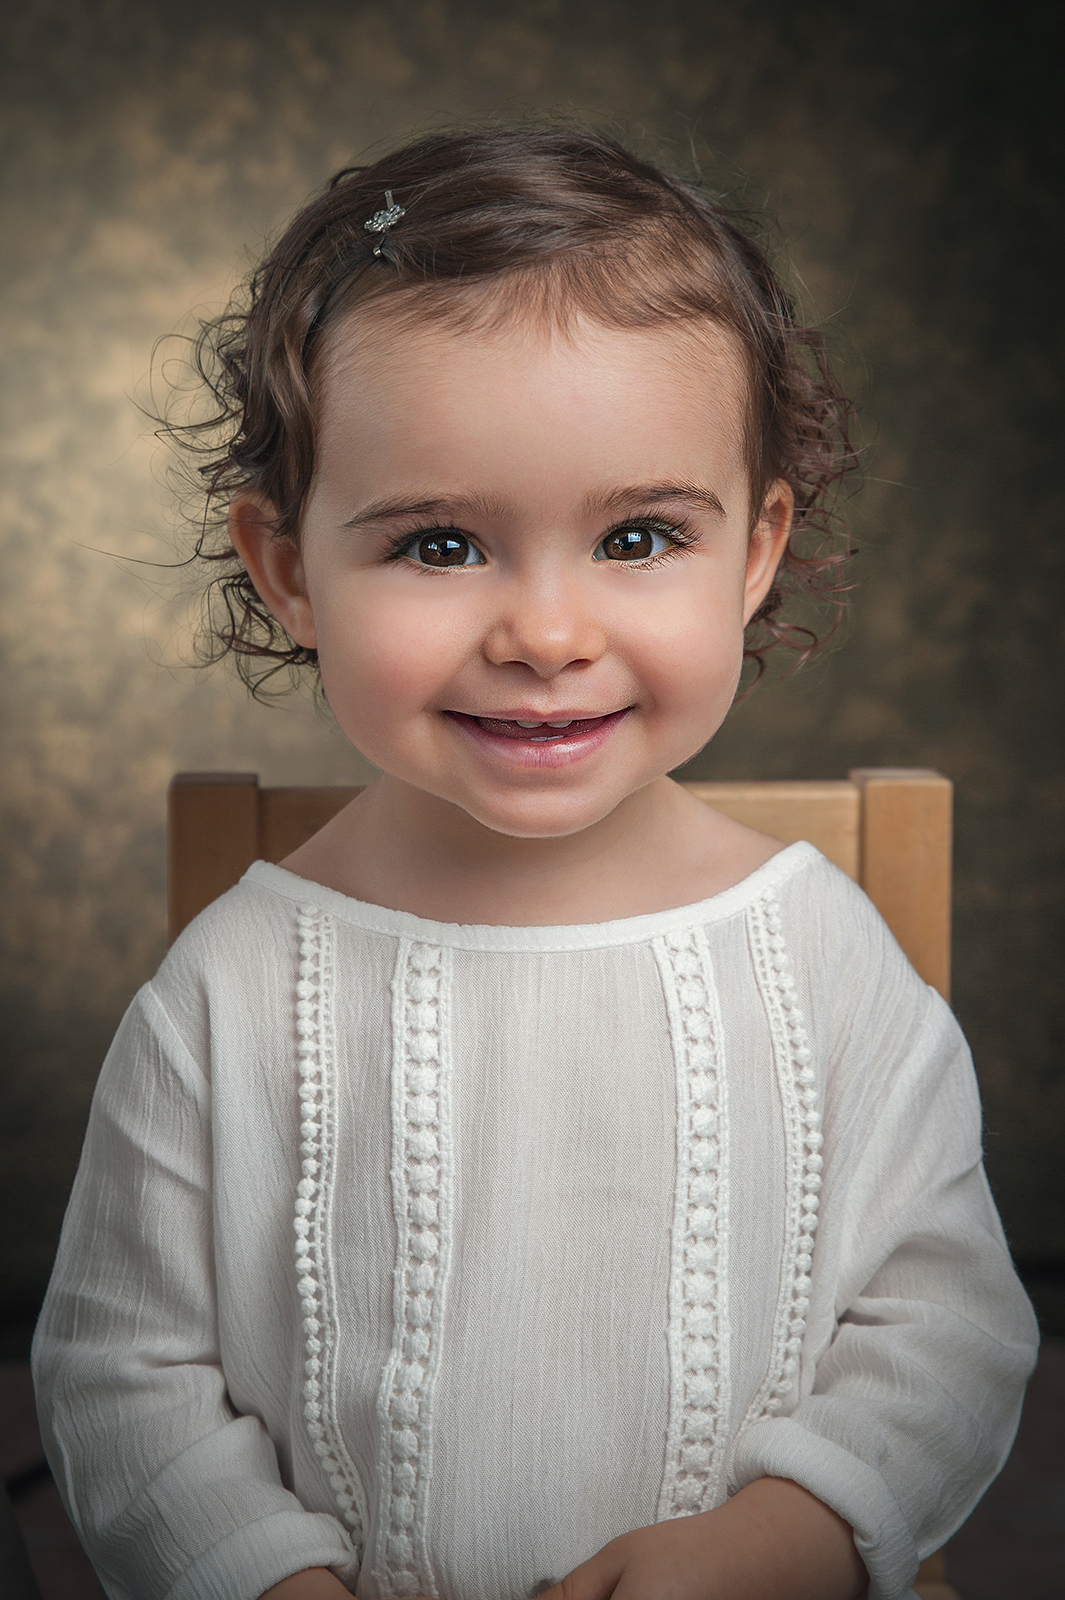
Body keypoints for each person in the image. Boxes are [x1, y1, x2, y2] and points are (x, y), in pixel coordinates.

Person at [32, 129, 1037, 1600]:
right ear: (289, 567)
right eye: (440, 546)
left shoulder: (817, 955)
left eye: (637, 534)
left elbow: (944, 1328)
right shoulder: (235, 986)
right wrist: (266, 1577)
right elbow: (126, 1375)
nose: (546, 634)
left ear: (754, 551)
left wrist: (789, 1537)